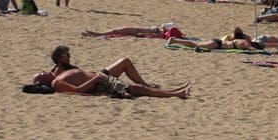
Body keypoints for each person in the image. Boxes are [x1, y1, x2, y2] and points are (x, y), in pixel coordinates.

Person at [32, 46, 190, 98]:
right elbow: (77, 91)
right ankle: (175, 93)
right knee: (136, 90)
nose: (42, 71)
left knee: (136, 86)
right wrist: (95, 80)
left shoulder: (57, 72)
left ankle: (173, 91)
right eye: (40, 74)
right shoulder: (56, 82)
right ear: (41, 82)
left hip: (101, 79)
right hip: (99, 84)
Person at [82, 24, 184, 39]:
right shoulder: (167, 33)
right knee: (117, 32)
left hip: (138, 31)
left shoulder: (165, 33)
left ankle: (97, 34)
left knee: (117, 32)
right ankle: (97, 34)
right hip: (138, 32)